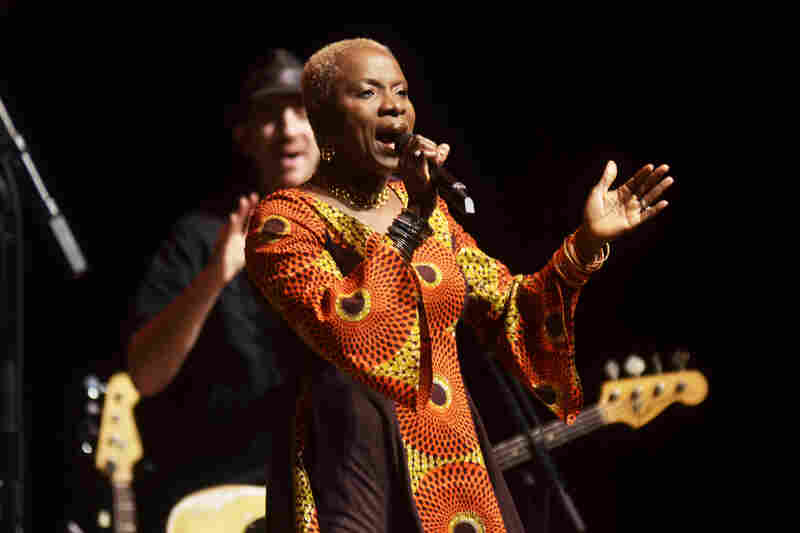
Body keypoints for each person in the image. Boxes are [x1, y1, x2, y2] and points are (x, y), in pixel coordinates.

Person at [244, 38, 675, 533]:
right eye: (368, 93)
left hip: (455, 460)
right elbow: (348, 328)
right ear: (322, 117)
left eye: (401, 92)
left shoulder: (431, 210)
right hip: (350, 456)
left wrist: (583, 246)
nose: (393, 106)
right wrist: (412, 217)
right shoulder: (284, 220)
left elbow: (513, 308)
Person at [123, 48, 319, 530]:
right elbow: (145, 375)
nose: (290, 129)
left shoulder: (359, 236)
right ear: (245, 137)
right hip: (223, 507)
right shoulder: (200, 237)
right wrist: (215, 276)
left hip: (335, 497)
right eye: (271, 117)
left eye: (302, 113)